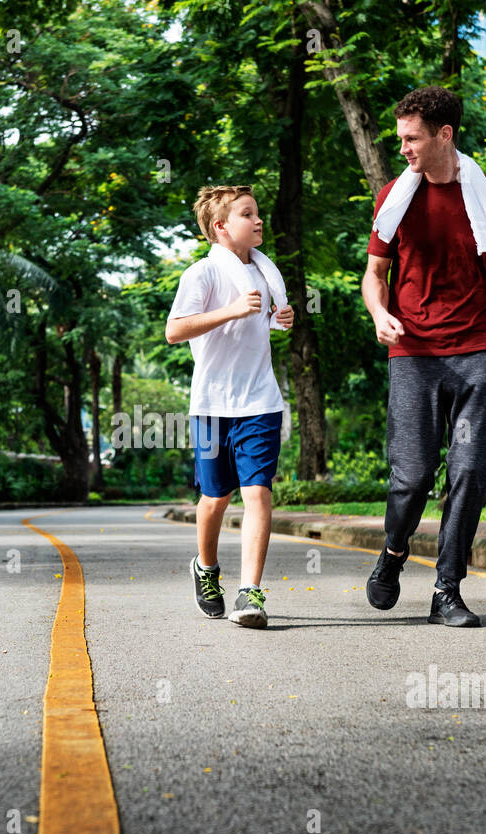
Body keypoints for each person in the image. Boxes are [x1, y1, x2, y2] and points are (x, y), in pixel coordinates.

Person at [361, 86, 486, 627]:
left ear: (444, 134)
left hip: (475, 349)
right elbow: (375, 275)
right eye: (400, 139)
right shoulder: (395, 196)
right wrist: (378, 314)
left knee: (469, 471)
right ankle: (394, 551)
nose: (404, 148)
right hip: (413, 351)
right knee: (411, 476)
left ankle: (447, 590)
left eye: (412, 138)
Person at [166, 185, 295, 628]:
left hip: (260, 400)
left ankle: (251, 593)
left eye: (258, 213)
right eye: (247, 214)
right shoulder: (201, 275)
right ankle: (206, 568)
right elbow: (175, 331)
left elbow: (259, 329)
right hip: (210, 404)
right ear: (221, 227)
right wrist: (233, 310)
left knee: (257, 492)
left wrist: (279, 319)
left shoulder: (264, 274)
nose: (258, 221)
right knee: (215, 497)